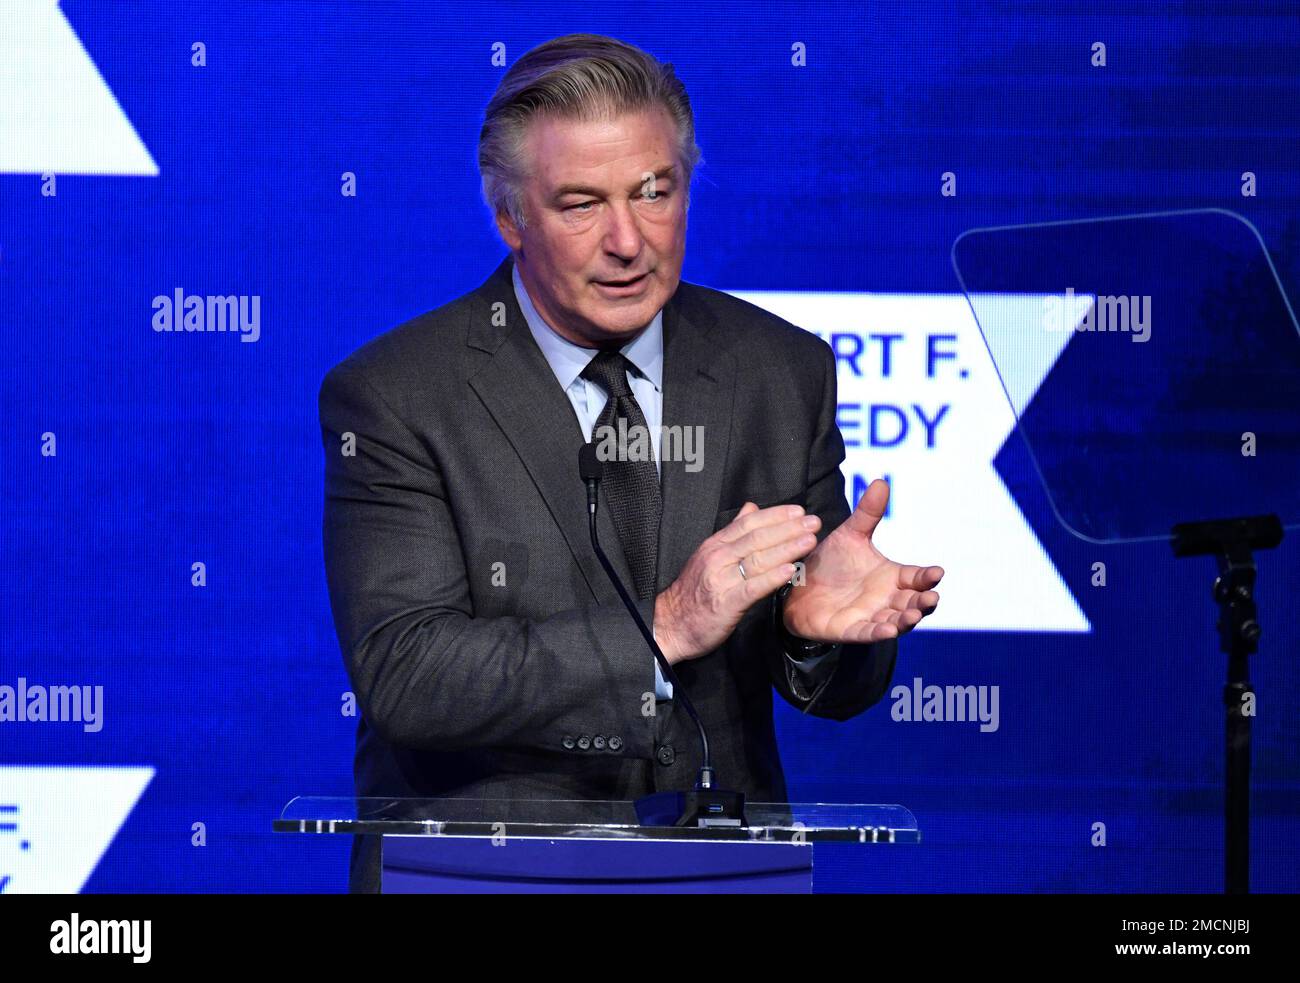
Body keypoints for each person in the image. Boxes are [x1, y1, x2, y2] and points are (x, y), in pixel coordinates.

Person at [318, 33, 943, 892]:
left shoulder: (780, 370)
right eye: (580, 203)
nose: (628, 239)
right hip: (482, 877)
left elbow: (831, 683)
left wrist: (812, 634)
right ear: (510, 217)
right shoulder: (397, 394)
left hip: (721, 879)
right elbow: (410, 674)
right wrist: (665, 625)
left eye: (656, 191)